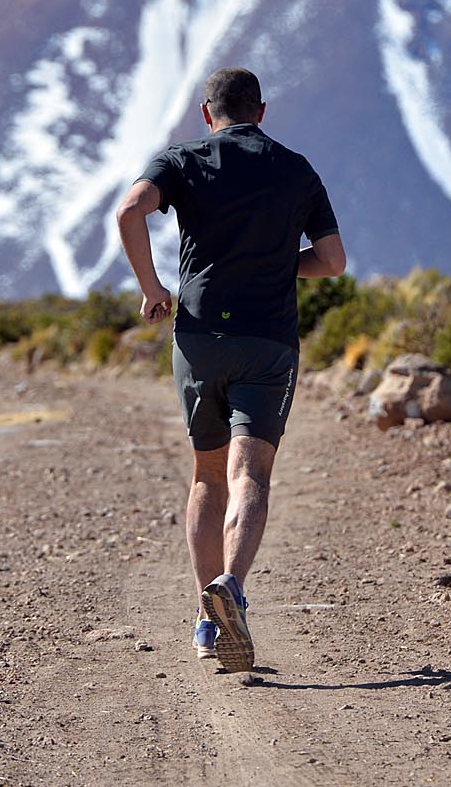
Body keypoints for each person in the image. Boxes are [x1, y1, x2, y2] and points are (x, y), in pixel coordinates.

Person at [114, 67, 346, 672]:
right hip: (267, 341)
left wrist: (153, 288)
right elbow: (332, 261)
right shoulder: (296, 168)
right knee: (253, 475)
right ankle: (233, 589)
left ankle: (204, 620)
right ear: (261, 111)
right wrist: (271, 266)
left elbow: (128, 213)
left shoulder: (181, 160)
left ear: (206, 111)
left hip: (198, 338)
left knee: (207, 476)